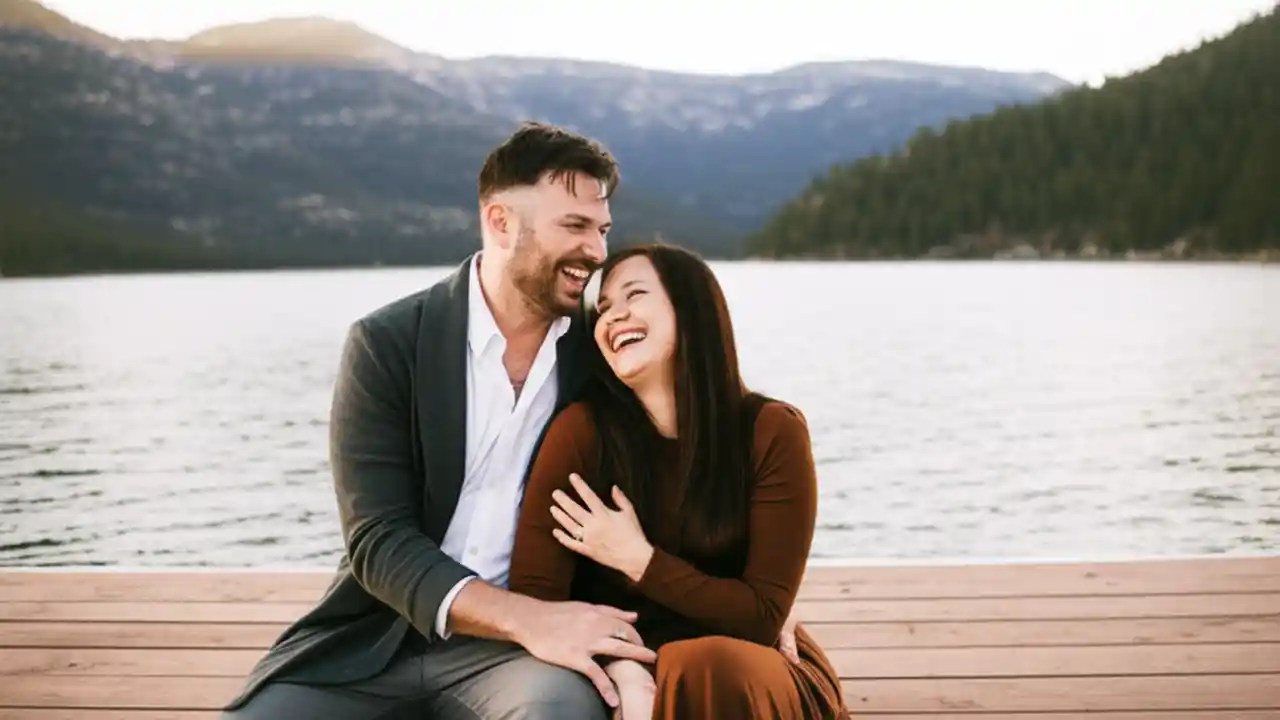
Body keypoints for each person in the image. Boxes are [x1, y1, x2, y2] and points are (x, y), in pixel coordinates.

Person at [220, 121, 656, 719]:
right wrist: (529, 619)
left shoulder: (600, 350)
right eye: (575, 226)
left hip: (521, 658)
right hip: (374, 642)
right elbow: (377, 540)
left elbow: (694, 449)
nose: (598, 252)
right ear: (501, 222)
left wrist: (760, 594)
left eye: (602, 230)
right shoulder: (387, 343)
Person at [509, 244, 849, 718]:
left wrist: (638, 560)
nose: (614, 316)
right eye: (603, 308)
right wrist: (623, 667)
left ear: (690, 309)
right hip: (626, 673)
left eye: (634, 295)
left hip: (746, 674)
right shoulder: (582, 433)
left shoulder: (771, 432)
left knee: (701, 664)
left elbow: (760, 620)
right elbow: (535, 601)